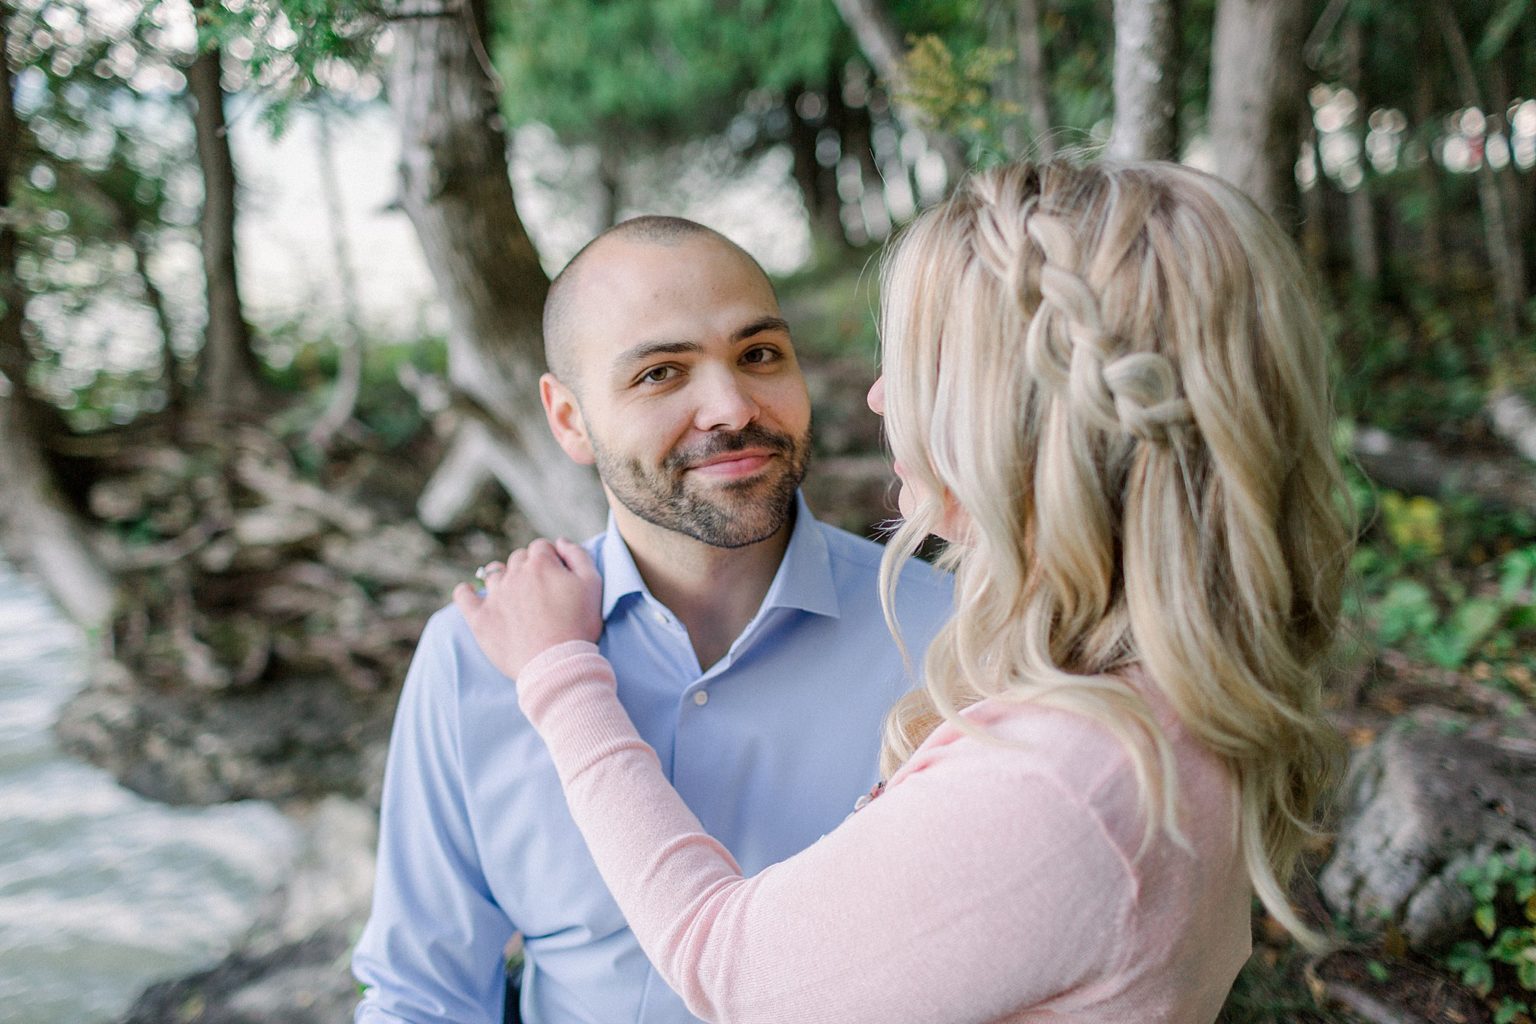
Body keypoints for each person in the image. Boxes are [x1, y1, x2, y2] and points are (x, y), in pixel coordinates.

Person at [455, 160, 1353, 1023]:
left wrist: (560, 676)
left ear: (1037, 414)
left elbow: (728, 971)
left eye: (925, 365)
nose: (881, 397)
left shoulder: (1065, 775)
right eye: (660, 371)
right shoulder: (1133, 691)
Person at [352, 216, 954, 1024]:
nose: (731, 407)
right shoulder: (472, 656)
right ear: (569, 419)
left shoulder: (955, 638)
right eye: (661, 373)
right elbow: (421, 997)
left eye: (759, 355)